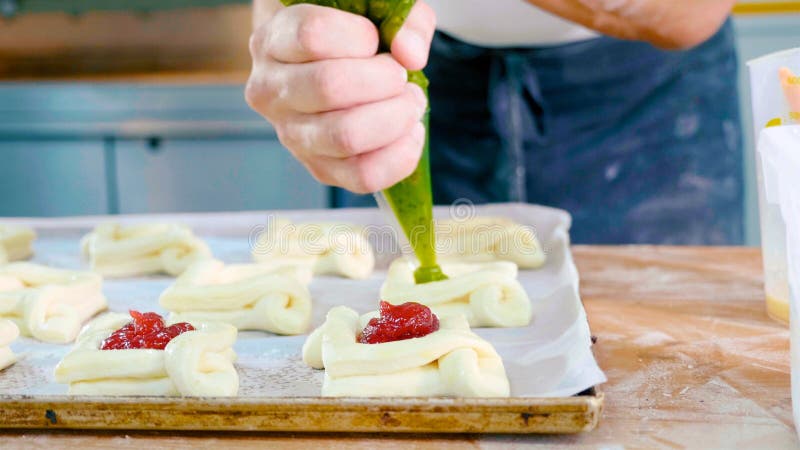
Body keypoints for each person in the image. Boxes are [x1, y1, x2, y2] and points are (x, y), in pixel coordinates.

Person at [246, 0, 743, 244]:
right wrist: (298, 50)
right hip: (407, 62)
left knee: (654, 362)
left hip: (647, 99)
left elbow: (689, 10)